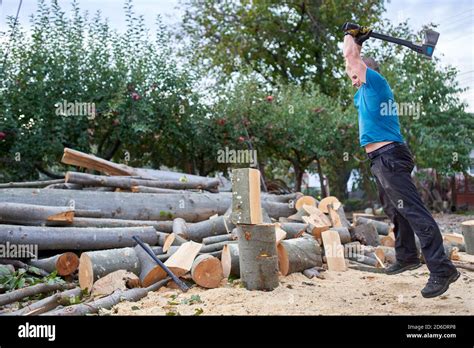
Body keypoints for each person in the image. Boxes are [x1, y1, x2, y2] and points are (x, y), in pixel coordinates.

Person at [342, 22, 459, 298]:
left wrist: (349, 35)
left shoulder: (377, 84)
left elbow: (351, 58)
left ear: (367, 72)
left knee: (415, 212)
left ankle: (442, 269)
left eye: (355, 74)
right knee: (397, 210)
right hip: (379, 161)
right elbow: (352, 59)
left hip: (390, 157)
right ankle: (407, 256)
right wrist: (358, 41)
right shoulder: (362, 93)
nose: (352, 78)